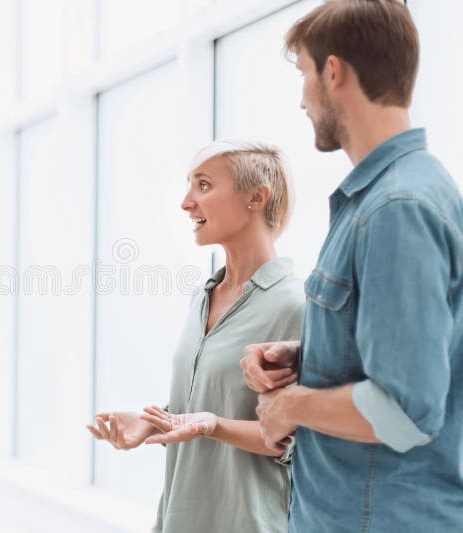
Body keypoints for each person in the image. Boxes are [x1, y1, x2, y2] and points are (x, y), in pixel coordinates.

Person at [240, 1, 463, 531]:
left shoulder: (396, 210)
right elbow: (415, 355)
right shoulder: (389, 197)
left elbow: (405, 410)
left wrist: (291, 404)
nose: (302, 99)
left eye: (304, 75)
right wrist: (307, 356)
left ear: (333, 71)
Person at [88, 141, 304, 532]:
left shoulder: (294, 306)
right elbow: (209, 402)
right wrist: (150, 422)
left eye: (203, 185)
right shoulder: (202, 296)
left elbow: (292, 440)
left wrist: (214, 425)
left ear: (256, 197)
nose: (186, 203)